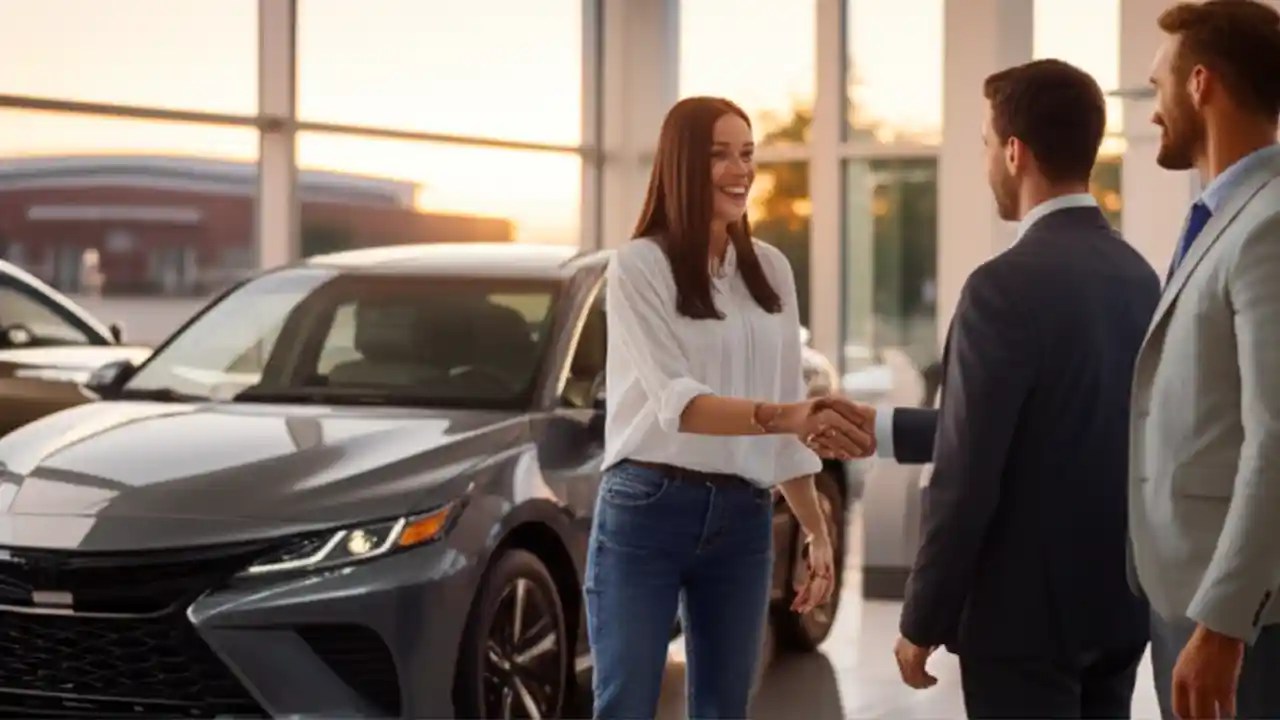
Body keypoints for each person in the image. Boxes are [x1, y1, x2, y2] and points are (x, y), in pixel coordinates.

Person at [868, 60, 1161, 718]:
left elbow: (968, 475)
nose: (984, 163)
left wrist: (922, 618)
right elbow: (1064, 426)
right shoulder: (1140, 277)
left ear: (1013, 151)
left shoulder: (1002, 286)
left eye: (982, 143)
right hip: (1119, 607)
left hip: (1023, 624)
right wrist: (882, 428)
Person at [585, 96, 872, 719]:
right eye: (720, 155)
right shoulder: (639, 266)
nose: (739, 169)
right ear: (683, 165)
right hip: (647, 510)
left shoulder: (769, 268)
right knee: (625, 703)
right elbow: (679, 406)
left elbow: (789, 416)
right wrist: (787, 416)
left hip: (743, 516)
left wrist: (816, 532)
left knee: (725, 707)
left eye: (747, 154)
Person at [1130, 3, 1280, 718]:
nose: (1153, 108)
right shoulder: (1224, 218)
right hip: (1191, 598)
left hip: (1244, 619)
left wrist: (1224, 620)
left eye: (1157, 85)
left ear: (1199, 84)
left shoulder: (1269, 224)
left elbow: (1276, 434)